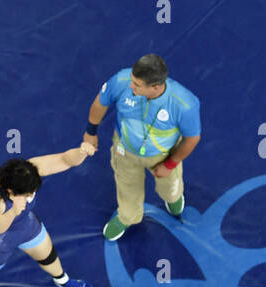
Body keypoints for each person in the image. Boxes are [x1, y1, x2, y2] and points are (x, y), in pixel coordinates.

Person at [83, 53, 201, 241]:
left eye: (137, 85)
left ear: (156, 87)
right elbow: (100, 103)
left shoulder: (184, 104)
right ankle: (127, 217)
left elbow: (192, 139)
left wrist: (170, 164)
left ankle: (174, 198)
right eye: (132, 81)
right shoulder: (121, 80)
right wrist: (90, 133)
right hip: (125, 151)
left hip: (163, 155)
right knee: (127, 187)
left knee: (170, 188)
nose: (131, 86)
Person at [0, 143, 97, 287]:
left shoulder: (29, 171)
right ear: (10, 191)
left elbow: (64, 160)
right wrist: (14, 210)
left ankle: (62, 281)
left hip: (26, 226)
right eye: (27, 194)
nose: (31, 195)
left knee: (48, 255)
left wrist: (81, 152)